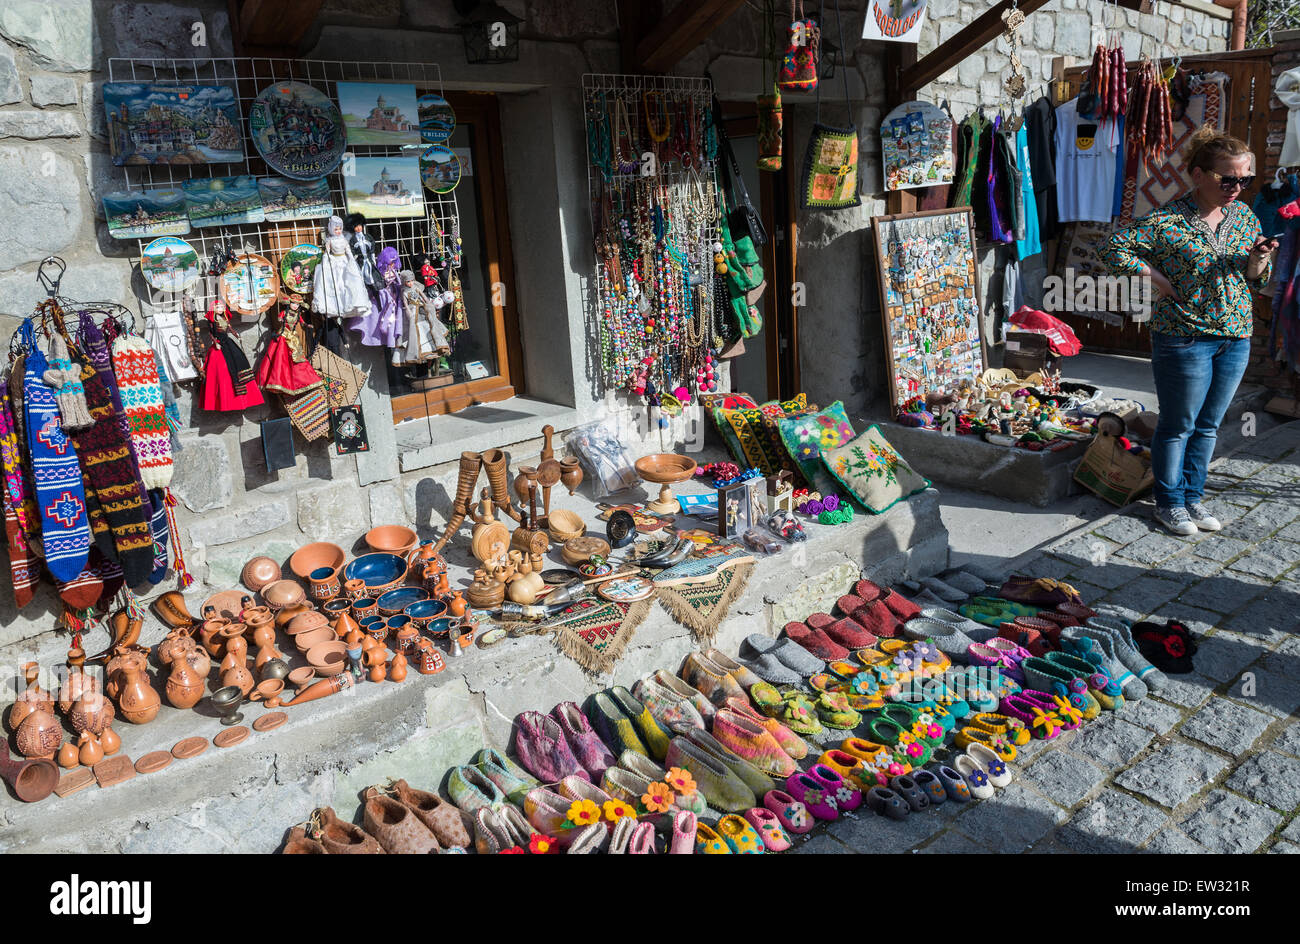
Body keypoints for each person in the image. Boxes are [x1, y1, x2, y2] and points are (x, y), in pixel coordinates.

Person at [1101, 127, 1275, 536]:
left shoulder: (1245, 217)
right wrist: (1159, 280)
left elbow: (1251, 279)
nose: (1236, 187)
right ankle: (1169, 503)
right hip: (1185, 335)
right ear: (1198, 175)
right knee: (1178, 424)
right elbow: (1113, 249)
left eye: (1244, 179)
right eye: (1227, 178)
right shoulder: (1166, 221)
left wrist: (1259, 260)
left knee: (1208, 425)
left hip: (1236, 335)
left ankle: (1193, 498)